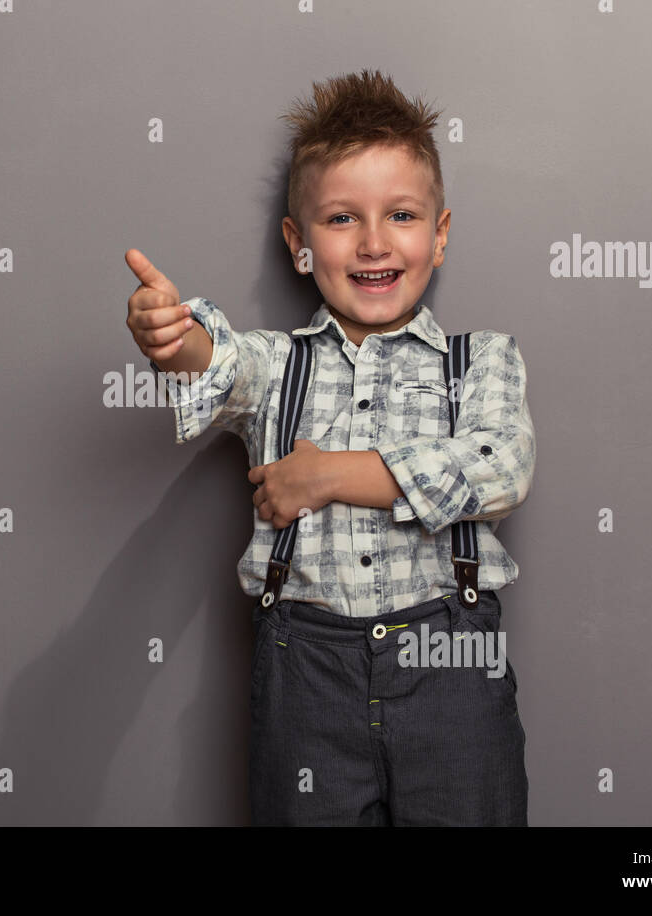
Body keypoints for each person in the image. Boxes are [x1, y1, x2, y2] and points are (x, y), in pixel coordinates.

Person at [124, 69, 535, 826]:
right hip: (305, 676)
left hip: (449, 667)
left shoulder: (480, 360)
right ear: (299, 244)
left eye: (403, 215)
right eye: (342, 219)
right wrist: (173, 339)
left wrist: (326, 476)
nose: (375, 242)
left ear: (438, 235)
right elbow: (218, 363)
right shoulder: (280, 365)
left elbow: (499, 468)